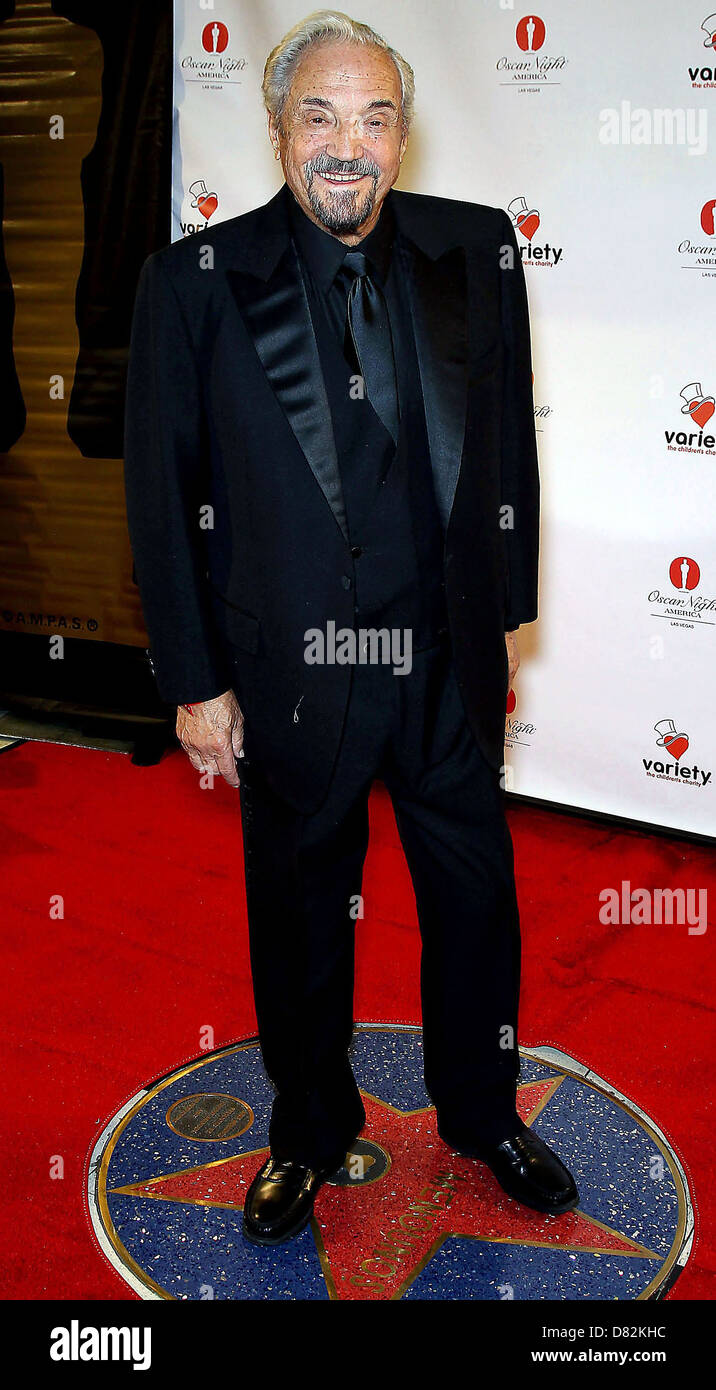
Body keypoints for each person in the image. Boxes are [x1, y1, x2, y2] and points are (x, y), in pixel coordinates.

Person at [124, 9, 578, 1247]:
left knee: (475, 901)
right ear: (276, 130)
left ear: (400, 134)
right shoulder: (193, 283)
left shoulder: (474, 250)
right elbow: (161, 498)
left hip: (440, 661)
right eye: (318, 115)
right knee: (302, 915)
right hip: (290, 675)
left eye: (372, 117)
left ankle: (483, 1114)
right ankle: (308, 1133)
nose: (346, 144)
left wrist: (504, 624)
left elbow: (503, 456)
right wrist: (193, 680)